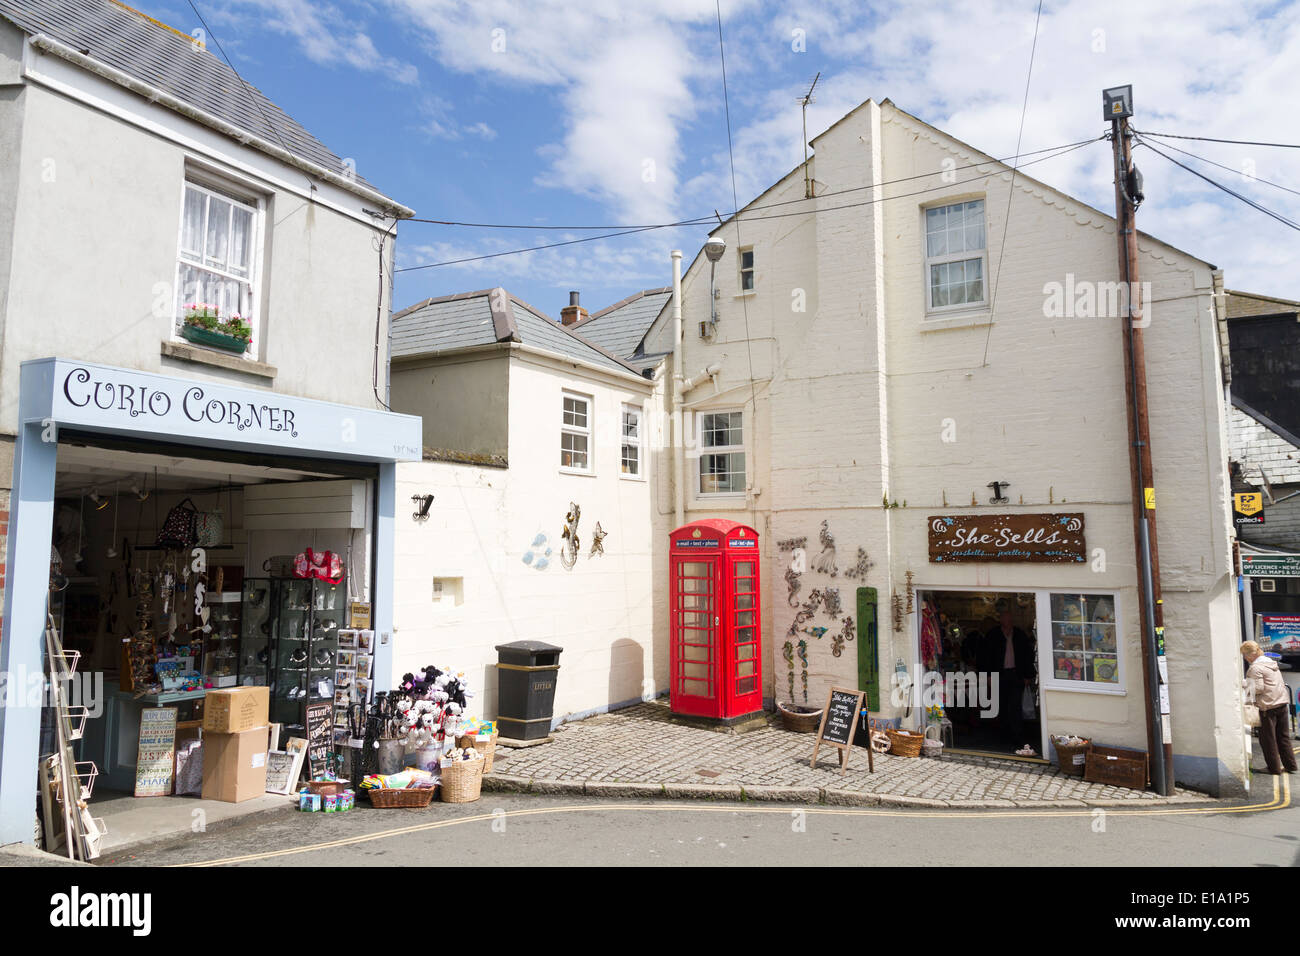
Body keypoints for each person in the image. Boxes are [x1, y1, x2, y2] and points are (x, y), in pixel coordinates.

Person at [980, 606, 1036, 751]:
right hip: (999, 674)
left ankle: (1017, 736)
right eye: (1006, 618)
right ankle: (1004, 735)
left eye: (1010, 618)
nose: (1009, 621)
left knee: (1015, 706)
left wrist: (1028, 675)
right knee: (1002, 705)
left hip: (1016, 675)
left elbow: (1027, 655)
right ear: (1001, 620)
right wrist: (988, 675)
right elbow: (986, 657)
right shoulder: (993, 635)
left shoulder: (1019, 634)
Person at [1241, 641, 1297, 775]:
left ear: (1250, 654)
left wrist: (1245, 685)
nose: (1244, 658)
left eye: (1244, 655)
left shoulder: (1255, 668)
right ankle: (1290, 765)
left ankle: (1273, 768)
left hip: (1268, 706)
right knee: (1283, 737)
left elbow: (1259, 688)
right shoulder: (1272, 663)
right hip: (1282, 703)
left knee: (1268, 739)